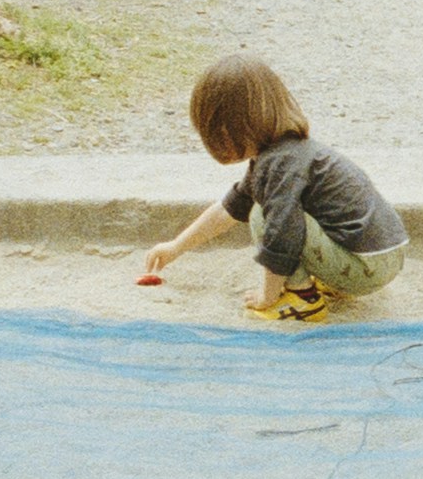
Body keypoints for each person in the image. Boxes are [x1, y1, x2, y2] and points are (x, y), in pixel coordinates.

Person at [143, 55, 409, 322]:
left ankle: (304, 299)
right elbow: (230, 208)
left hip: (366, 265)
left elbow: (282, 234)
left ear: (232, 128)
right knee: (264, 207)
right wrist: (176, 246)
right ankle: (326, 279)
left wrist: (268, 294)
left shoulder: (278, 166)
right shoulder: (286, 154)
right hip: (384, 255)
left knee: (265, 213)